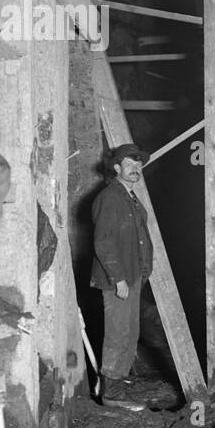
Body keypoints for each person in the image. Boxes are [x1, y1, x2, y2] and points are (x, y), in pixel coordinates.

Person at [89, 143, 154, 406]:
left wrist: (141, 272)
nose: (135, 170)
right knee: (117, 333)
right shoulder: (110, 197)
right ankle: (112, 394)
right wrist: (118, 278)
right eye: (130, 165)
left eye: (138, 166)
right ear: (117, 168)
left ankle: (119, 382)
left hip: (132, 275)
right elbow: (103, 241)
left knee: (130, 331)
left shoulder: (130, 197)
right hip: (118, 279)